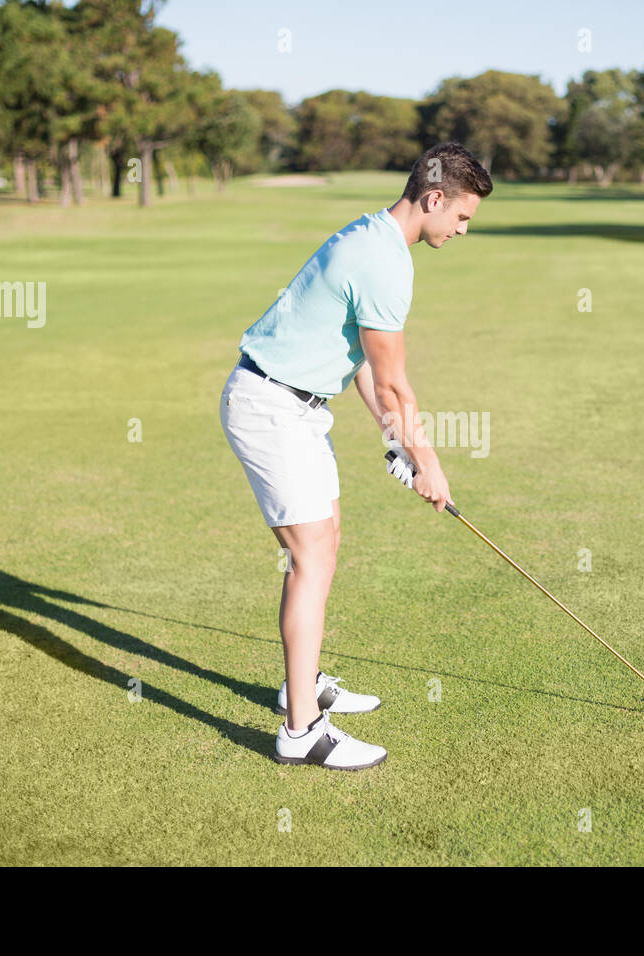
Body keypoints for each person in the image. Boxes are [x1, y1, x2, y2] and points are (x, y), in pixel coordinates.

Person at [220, 142, 493, 770]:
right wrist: (428, 460)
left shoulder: (373, 237)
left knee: (327, 540)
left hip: (300, 406)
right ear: (433, 199)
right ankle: (301, 732)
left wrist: (394, 438)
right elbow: (396, 382)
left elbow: (369, 368)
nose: (462, 228)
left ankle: (303, 682)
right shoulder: (385, 260)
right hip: (270, 406)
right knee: (309, 555)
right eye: (462, 216)